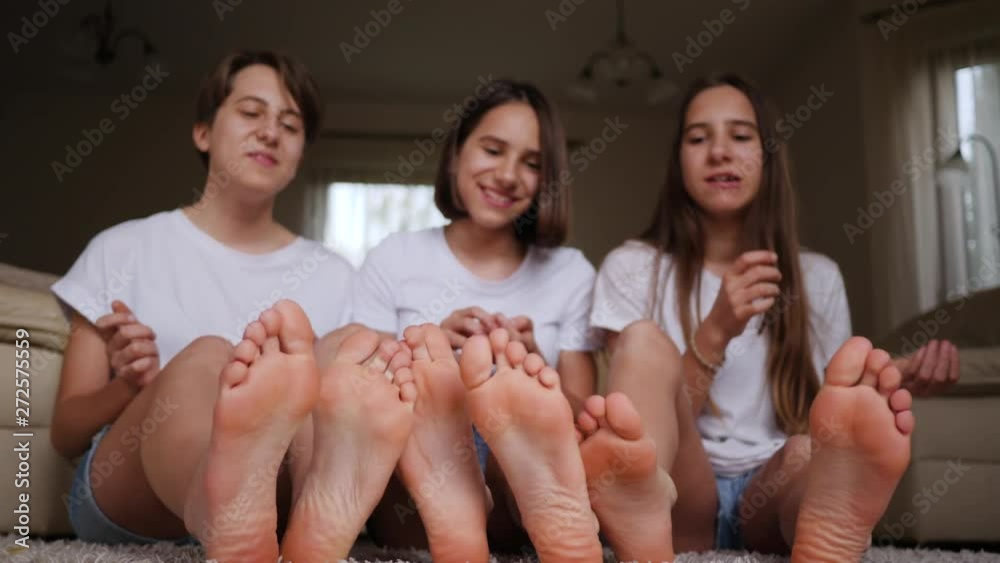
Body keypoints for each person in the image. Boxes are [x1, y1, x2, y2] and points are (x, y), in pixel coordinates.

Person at [50, 50, 414, 562]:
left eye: (290, 125)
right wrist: (130, 387)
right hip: (134, 492)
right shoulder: (121, 249)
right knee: (207, 356)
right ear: (203, 132)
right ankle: (221, 513)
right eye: (250, 112)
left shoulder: (335, 274)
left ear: (299, 154)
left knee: (344, 346)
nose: (270, 132)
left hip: (284, 484)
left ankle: (319, 519)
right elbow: (66, 433)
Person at [590, 73, 958, 562]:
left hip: (769, 485)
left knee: (806, 452)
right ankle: (644, 520)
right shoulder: (632, 267)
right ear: (678, 161)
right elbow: (645, 420)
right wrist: (716, 331)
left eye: (741, 136)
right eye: (699, 138)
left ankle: (825, 520)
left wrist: (885, 380)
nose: (720, 152)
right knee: (641, 343)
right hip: (681, 489)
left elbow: (816, 414)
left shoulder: (817, 277)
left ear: (768, 156)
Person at [351, 79, 603, 560]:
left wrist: (535, 369)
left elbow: (583, 417)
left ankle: (516, 505)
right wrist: (425, 352)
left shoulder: (570, 273)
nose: (508, 175)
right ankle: (455, 491)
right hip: (409, 473)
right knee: (406, 420)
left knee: (537, 441)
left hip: (519, 467)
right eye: (492, 149)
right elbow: (361, 397)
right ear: (456, 155)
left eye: (532, 163)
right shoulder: (395, 258)